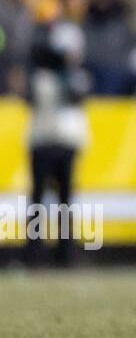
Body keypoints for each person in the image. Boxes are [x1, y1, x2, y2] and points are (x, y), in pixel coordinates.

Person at [26, 21, 91, 266]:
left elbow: (76, 94)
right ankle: (34, 252)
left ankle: (65, 251)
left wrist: (64, 72)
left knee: (65, 200)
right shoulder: (42, 76)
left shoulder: (76, 76)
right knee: (37, 199)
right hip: (42, 141)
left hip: (66, 142)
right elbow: (36, 97)